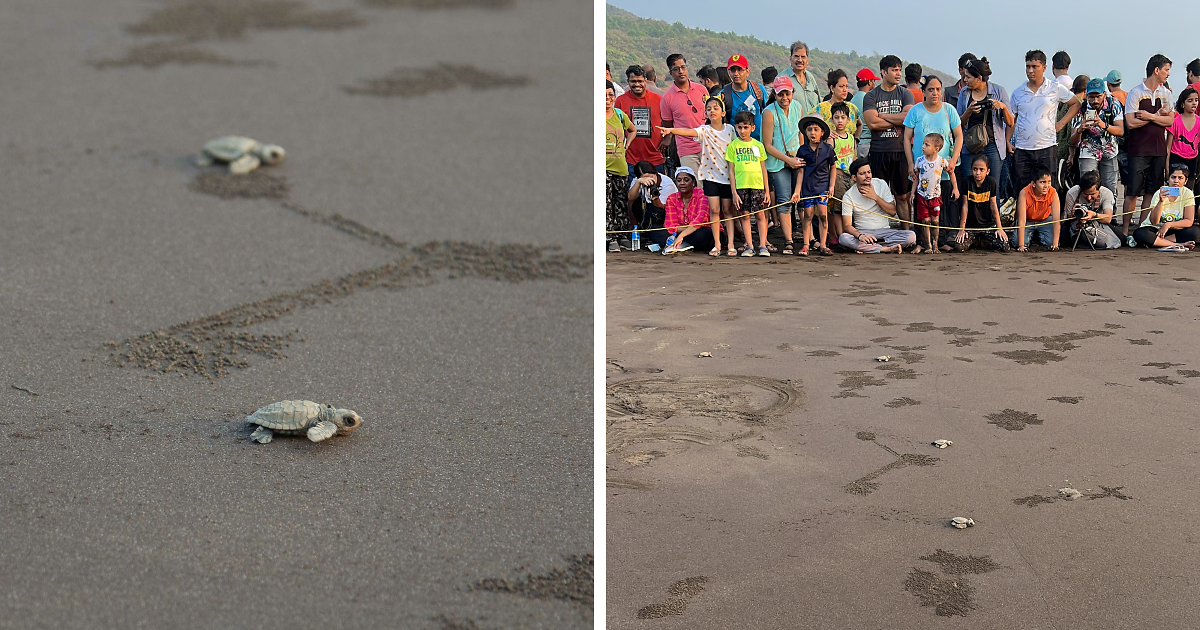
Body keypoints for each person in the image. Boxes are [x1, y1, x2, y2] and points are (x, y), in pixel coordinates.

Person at [658, 97, 736, 256]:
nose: (712, 111)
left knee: (728, 211)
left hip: (728, 177)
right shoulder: (704, 130)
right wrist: (671, 130)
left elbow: (737, 148)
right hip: (710, 177)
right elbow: (688, 132)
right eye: (708, 109)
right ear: (705, 114)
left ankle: (731, 244)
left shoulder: (730, 129)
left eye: (715, 108)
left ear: (723, 112)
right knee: (714, 210)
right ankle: (718, 245)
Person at [1008, 50, 1080, 195]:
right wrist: (1007, 140)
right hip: (1023, 148)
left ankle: (1048, 218)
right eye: (1028, 66)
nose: (1030, 70)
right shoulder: (1018, 92)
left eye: (1034, 66)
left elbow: (1076, 104)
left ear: (1045, 67)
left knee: (1048, 189)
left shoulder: (1055, 88)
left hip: (1047, 147)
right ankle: (1024, 218)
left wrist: (1061, 123)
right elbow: (1012, 119)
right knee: (1022, 189)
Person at [903, 74, 962, 252]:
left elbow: (959, 135)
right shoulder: (916, 110)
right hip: (921, 169)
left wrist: (953, 159)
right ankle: (922, 243)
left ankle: (940, 241)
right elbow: (906, 138)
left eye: (938, 89)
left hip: (943, 169)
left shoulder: (949, 109)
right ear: (924, 92)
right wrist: (910, 163)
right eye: (930, 89)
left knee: (941, 204)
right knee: (920, 205)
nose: (935, 93)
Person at [1122, 54, 1175, 246]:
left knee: (1151, 192)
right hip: (1138, 149)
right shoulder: (1135, 93)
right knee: (1132, 192)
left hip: (1158, 148)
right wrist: (1155, 117)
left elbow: (1170, 120)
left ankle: (1142, 227)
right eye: (1166, 70)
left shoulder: (1166, 93)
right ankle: (1126, 229)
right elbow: (1131, 122)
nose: (1168, 74)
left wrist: (1150, 116)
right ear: (1156, 70)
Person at [863, 55, 916, 228]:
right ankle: (879, 230)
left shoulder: (905, 94)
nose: (898, 73)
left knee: (902, 196)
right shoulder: (871, 96)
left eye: (899, 70)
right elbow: (872, 123)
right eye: (894, 70)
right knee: (878, 193)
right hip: (878, 151)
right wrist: (896, 118)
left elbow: (908, 117)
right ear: (883, 72)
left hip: (900, 151)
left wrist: (883, 116)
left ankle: (907, 231)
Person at [956, 57, 1013, 201]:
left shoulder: (998, 91)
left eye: (968, 77)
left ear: (979, 78)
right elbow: (958, 124)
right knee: (969, 188)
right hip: (970, 146)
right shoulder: (964, 94)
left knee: (993, 189)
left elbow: (1011, 122)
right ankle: (969, 222)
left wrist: (1003, 107)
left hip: (992, 145)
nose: (965, 80)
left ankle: (994, 222)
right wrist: (969, 111)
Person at [761, 76, 804, 254]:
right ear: (775, 94)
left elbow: (801, 136)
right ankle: (788, 240)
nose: (784, 98)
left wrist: (801, 159)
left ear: (792, 93)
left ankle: (806, 237)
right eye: (780, 94)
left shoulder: (798, 108)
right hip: (778, 162)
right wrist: (789, 160)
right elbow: (767, 145)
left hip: (796, 158)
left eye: (787, 93)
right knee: (784, 200)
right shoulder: (769, 112)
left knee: (800, 199)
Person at [838, 158, 916, 253]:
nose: (867, 176)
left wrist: (875, 197)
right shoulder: (848, 195)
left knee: (911, 236)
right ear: (854, 178)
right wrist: (860, 236)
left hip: (885, 232)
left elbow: (892, 211)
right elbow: (847, 225)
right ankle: (884, 249)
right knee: (844, 238)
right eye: (862, 174)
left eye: (869, 172)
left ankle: (867, 247)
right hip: (863, 232)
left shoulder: (881, 184)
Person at [726, 110, 771, 256]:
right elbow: (731, 171)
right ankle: (750, 246)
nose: (742, 131)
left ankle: (763, 245)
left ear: (752, 127)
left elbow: (763, 168)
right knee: (745, 216)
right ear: (735, 127)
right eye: (739, 127)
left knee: (760, 215)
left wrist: (767, 190)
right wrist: (734, 192)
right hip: (741, 186)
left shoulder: (758, 145)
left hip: (758, 185)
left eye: (746, 127)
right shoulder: (733, 146)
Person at [1068, 78, 1124, 195]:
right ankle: (1087, 211)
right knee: (1087, 186)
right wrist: (1080, 130)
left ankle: (1108, 212)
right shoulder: (1081, 108)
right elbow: (1073, 140)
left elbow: (1120, 131)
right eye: (1091, 97)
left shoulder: (1113, 103)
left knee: (1109, 188)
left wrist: (1103, 125)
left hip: (1109, 150)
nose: (1095, 100)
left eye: (1098, 96)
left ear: (1104, 94)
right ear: (1086, 95)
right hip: (1088, 150)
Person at [791, 115, 836, 256]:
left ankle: (823, 244)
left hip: (823, 187)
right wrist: (797, 191)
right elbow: (801, 172)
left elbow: (833, 167)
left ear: (822, 132)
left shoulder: (828, 149)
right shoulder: (803, 150)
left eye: (816, 129)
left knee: (823, 215)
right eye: (809, 130)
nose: (813, 133)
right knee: (808, 215)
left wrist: (831, 186)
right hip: (808, 187)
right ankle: (806, 245)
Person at [660, 54, 711, 176]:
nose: (681, 71)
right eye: (676, 69)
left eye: (683, 67)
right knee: (694, 187)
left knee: (711, 185)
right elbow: (669, 124)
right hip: (686, 149)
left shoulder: (701, 89)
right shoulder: (667, 98)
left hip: (708, 145)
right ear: (671, 73)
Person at [615, 65, 665, 179]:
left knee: (658, 193)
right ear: (628, 82)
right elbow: (618, 128)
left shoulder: (659, 100)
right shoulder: (621, 101)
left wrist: (667, 138)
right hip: (631, 159)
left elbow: (669, 122)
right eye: (633, 81)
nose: (637, 84)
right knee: (633, 194)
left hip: (655, 158)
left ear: (646, 81)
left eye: (640, 81)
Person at [909, 132, 956, 254]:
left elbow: (951, 172)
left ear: (936, 149)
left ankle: (935, 245)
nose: (923, 147)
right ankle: (928, 245)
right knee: (925, 221)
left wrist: (955, 188)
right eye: (923, 144)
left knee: (935, 221)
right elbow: (916, 178)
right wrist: (913, 192)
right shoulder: (919, 161)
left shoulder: (941, 161)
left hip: (935, 196)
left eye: (927, 145)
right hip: (922, 195)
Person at [1131, 165, 1197, 250]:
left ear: (1185, 181)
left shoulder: (1188, 193)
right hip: (1155, 229)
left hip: (1172, 229)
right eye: (1173, 177)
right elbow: (1154, 221)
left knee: (1195, 231)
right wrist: (1161, 201)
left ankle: (1158, 242)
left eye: (1180, 178)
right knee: (1139, 234)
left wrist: (1168, 225)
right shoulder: (1159, 193)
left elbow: (1188, 221)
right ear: (1168, 179)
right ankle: (1178, 244)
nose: (1176, 181)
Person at [656, 167, 717, 254]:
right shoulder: (672, 198)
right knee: (656, 231)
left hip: (701, 230)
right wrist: (686, 230)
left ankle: (678, 243)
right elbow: (670, 225)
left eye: (686, 180)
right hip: (685, 231)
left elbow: (700, 220)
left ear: (693, 182)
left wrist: (681, 235)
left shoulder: (702, 194)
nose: (682, 183)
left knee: (703, 234)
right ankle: (681, 244)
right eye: (679, 180)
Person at [605, 81, 637, 252]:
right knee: (606, 203)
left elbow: (633, 130)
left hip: (620, 165)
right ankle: (610, 238)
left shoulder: (619, 115)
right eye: (604, 95)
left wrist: (627, 146)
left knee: (621, 202)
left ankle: (623, 234)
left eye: (610, 95)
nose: (607, 98)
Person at [955, 155, 1010, 252]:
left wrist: (999, 228)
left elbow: (994, 206)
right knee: (959, 247)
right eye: (975, 169)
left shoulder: (991, 182)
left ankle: (981, 240)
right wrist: (961, 230)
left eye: (981, 170)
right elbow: (965, 206)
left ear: (988, 171)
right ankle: (978, 241)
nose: (978, 173)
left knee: (1004, 247)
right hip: (971, 227)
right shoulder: (966, 182)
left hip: (988, 226)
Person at [1064, 170, 1122, 249]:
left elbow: (1108, 219)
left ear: (1099, 189)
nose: (1089, 198)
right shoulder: (1072, 193)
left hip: (1098, 223)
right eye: (1085, 194)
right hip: (1075, 224)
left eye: (1092, 194)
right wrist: (1074, 214)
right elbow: (1067, 218)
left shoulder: (1107, 193)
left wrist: (1094, 215)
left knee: (1121, 239)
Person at [828, 101, 857, 244]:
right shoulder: (832, 138)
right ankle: (840, 236)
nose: (840, 120)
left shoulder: (851, 138)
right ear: (831, 119)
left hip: (850, 177)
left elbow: (854, 156)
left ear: (848, 119)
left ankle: (848, 233)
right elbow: (829, 160)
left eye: (843, 117)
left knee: (849, 207)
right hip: (838, 176)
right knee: (838, 208)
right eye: (837, 117)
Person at [1012, 164, 1060, 251]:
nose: (1046, 186)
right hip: (1028, 221)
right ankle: (1031, 236)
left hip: (1045, 220)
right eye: (1043, 182)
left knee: (1050, 242)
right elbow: (1022, 220)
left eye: (1049, 182)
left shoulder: (1053, 192)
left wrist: (1055, 244)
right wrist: (1021, 245)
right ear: (1033, 184)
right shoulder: (1024, 193)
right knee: (1016, 242)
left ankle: (1037, 237)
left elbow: (1056, 220)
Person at [720, 54, 766, 141]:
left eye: (740, 69)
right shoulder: (724, 95)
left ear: (747, 72)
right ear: (728, 72)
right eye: (733, 70)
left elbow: (769, 112)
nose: (736, 74)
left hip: (759, 143)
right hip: (736, 145)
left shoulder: (758, 89)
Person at [626, 160, 676, 232]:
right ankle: (636, 228)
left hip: (666, 210)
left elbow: (663, 207)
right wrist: (638, 182)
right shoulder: (638, 180)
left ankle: (655, 228)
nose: (649, 180)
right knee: (634, 203)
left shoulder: (666, 183)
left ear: (656, 173)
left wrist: (655, 198)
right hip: (649, 207)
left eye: (651, 177)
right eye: (645, 178)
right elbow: (630, 198)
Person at [1168, 88, 1200, 190]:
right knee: (1175, 189)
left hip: (1192, 159)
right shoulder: (1175, 122)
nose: (1194, 103)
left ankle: (1187, 206)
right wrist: (1166, 168)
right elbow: (1167, 147)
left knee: (1189, 190)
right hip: (1176, 158)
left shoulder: (1199, 122)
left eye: (1196, 100)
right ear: (1182, 104)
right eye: (1190, 101)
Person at [817, 69, 862, 140]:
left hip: (849, 150)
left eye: (846, 86)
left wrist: (856, 139)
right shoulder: (821, 108)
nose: (845, 90)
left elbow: (860, 124)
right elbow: (809, 126)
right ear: (832, 88)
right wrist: (825, 132)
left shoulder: (852, 108)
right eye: (841, 86)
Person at [781, 42, 822, 114]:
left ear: (807, 60)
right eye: (796, 56)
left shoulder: (810, 78)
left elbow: (818, 104)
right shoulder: (782, 79)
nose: (800, 60)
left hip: (812, 124)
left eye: (803, 57)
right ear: (790, 59)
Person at [851, 68, 880, 157]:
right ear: (869, 82)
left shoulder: (852, 100)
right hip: (867, 143)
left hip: (856, 143)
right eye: (873, 81)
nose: (874, 84)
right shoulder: (869, 100)